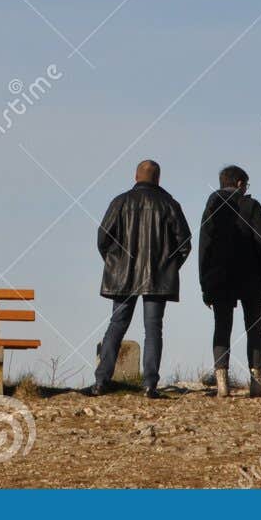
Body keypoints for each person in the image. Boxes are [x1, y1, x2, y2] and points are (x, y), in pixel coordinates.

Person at [90, 159, 193, 398]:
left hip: (122, 276)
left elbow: (103, 238)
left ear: (136, 177)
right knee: (153, 329)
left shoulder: (120, 201)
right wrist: (168, 267)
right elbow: (185, 244)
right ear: (158, 179)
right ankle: (149, 385)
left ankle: (101, 381)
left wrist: (115, 263)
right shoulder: (170, 204)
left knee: (116, 326)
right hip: (158, 278)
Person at [198, 165, 261, 399]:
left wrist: (205, 283)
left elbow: (204, 247)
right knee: (255, 327)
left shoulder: (211, 206)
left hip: (220, 276)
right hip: (251, 277)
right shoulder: (251, 206)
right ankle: (256, 381)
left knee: (222, 326)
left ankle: (222, 382)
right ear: (241, 184)